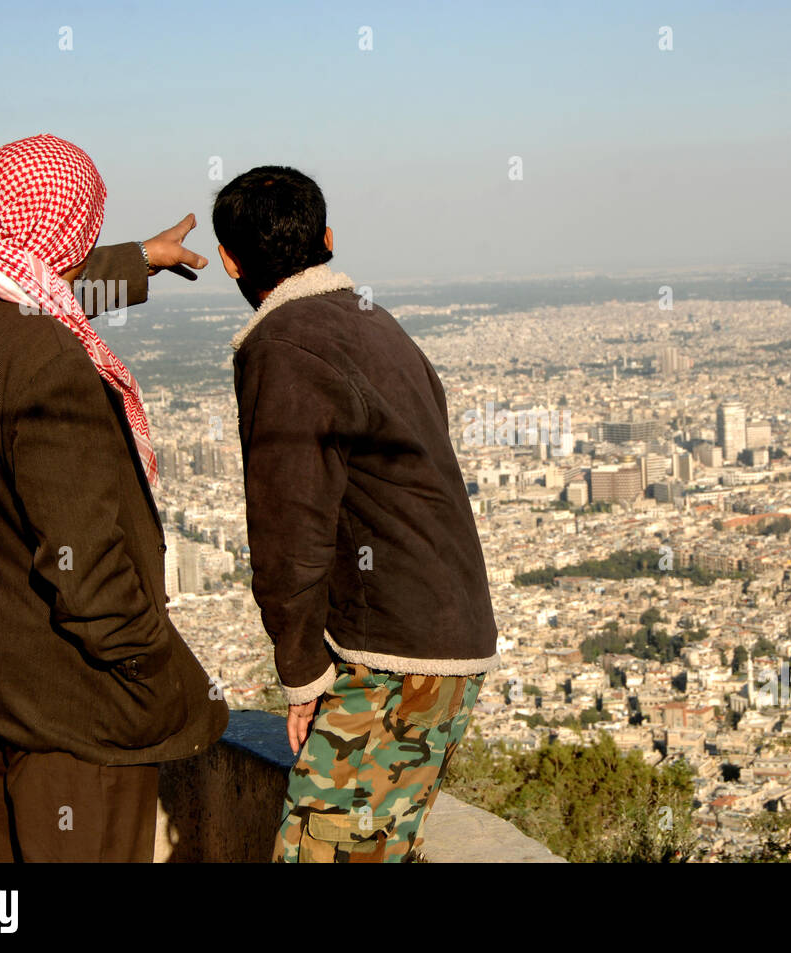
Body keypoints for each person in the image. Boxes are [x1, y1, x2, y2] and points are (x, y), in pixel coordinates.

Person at [0, 134, 228, 863]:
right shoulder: (44, 360)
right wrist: (147, 668)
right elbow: (86, 563)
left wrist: (139, 259)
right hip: (61, 703)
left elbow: (27, 280)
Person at [212, 166, 499, 862]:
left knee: (327, 848)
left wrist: (302, 676)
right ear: (329, 239)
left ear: (228, 261)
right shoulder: (372, 320)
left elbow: (290, 529)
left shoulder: (283, 345)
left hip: (394, 650)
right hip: (443, 632)